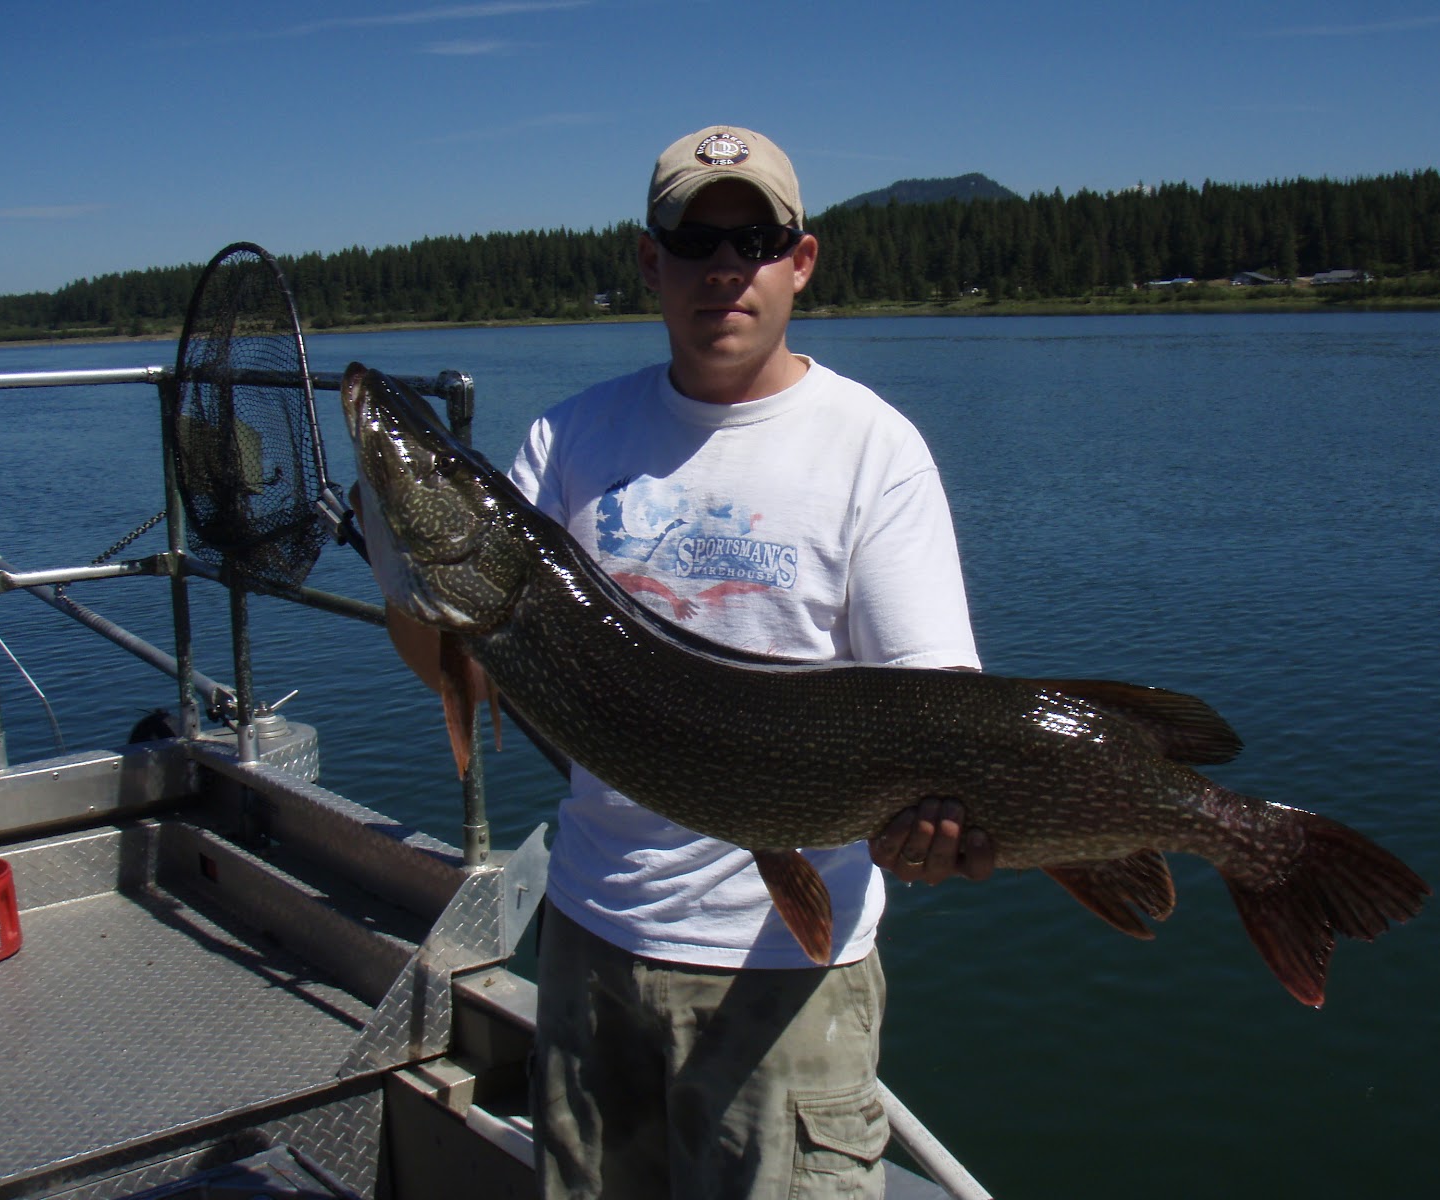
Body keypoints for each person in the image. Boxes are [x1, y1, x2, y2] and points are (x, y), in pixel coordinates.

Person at [383, 124, 993, 1197]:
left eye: (754, 241)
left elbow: (939, 711)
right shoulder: (567, 441)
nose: (724, 268)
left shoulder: (873, 449)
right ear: (648, 260)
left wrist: (946, 828)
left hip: (788, 975)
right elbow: (457, 671)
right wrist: (398, 543)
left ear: (800, 261)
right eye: (693, 240)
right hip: (592, 940)